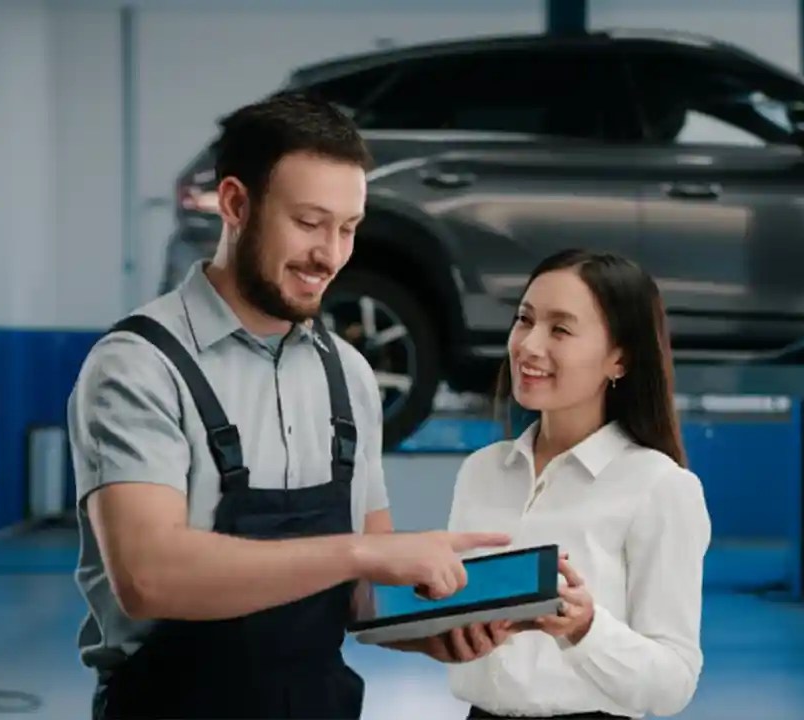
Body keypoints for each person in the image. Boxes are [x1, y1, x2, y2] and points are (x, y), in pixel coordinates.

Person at [67, 91, 509, 720]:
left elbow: (361, 597)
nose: (330, 254)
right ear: (235, 204)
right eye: (309, 222)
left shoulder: (350, 375)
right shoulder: (140, 365)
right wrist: (359, 551)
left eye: (349, 228)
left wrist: (439, 630)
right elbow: (149, 577)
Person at [393, 249, 712, 719]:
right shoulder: (482, 470)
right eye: (525, 320)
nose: (529, 345)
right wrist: (446, 630)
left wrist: (585, 628)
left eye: (560, 329)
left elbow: (673, 683)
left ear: (619, 359)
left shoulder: (660, 487)